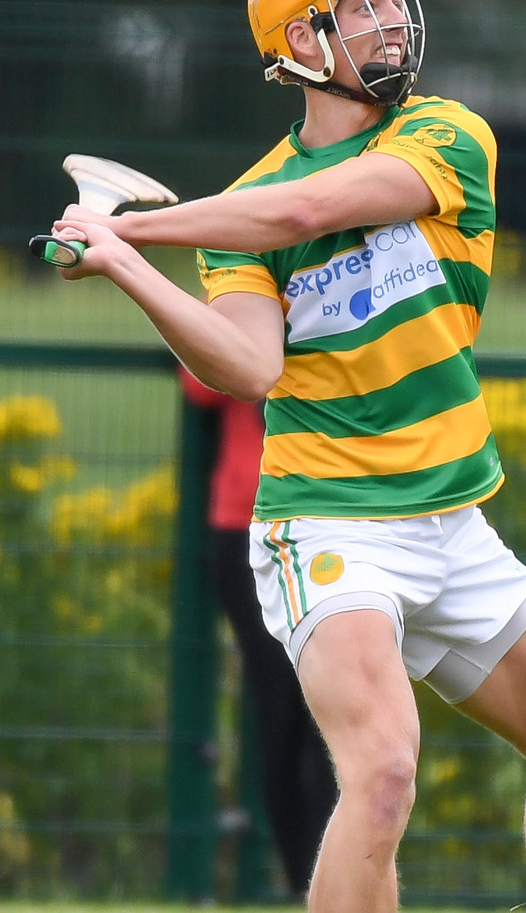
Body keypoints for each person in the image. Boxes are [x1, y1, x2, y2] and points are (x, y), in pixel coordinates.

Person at [47, 0, 526, 913]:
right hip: (326, 525)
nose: (391, 21)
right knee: (384, 775)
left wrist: (127, 227)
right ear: (300, 46)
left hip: (452, 520)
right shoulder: (241, 209)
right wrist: (128, 269)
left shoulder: (443, 134)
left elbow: (307, 209)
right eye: (359, 9)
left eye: (391, 1)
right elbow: (248, 367)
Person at [179, 365, 337, 898]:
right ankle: (304, 883)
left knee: (331, 714)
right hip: (244, 530)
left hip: (324, 530)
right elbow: (200, 383)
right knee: (280, 710)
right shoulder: (243, 317)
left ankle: (333, 879)